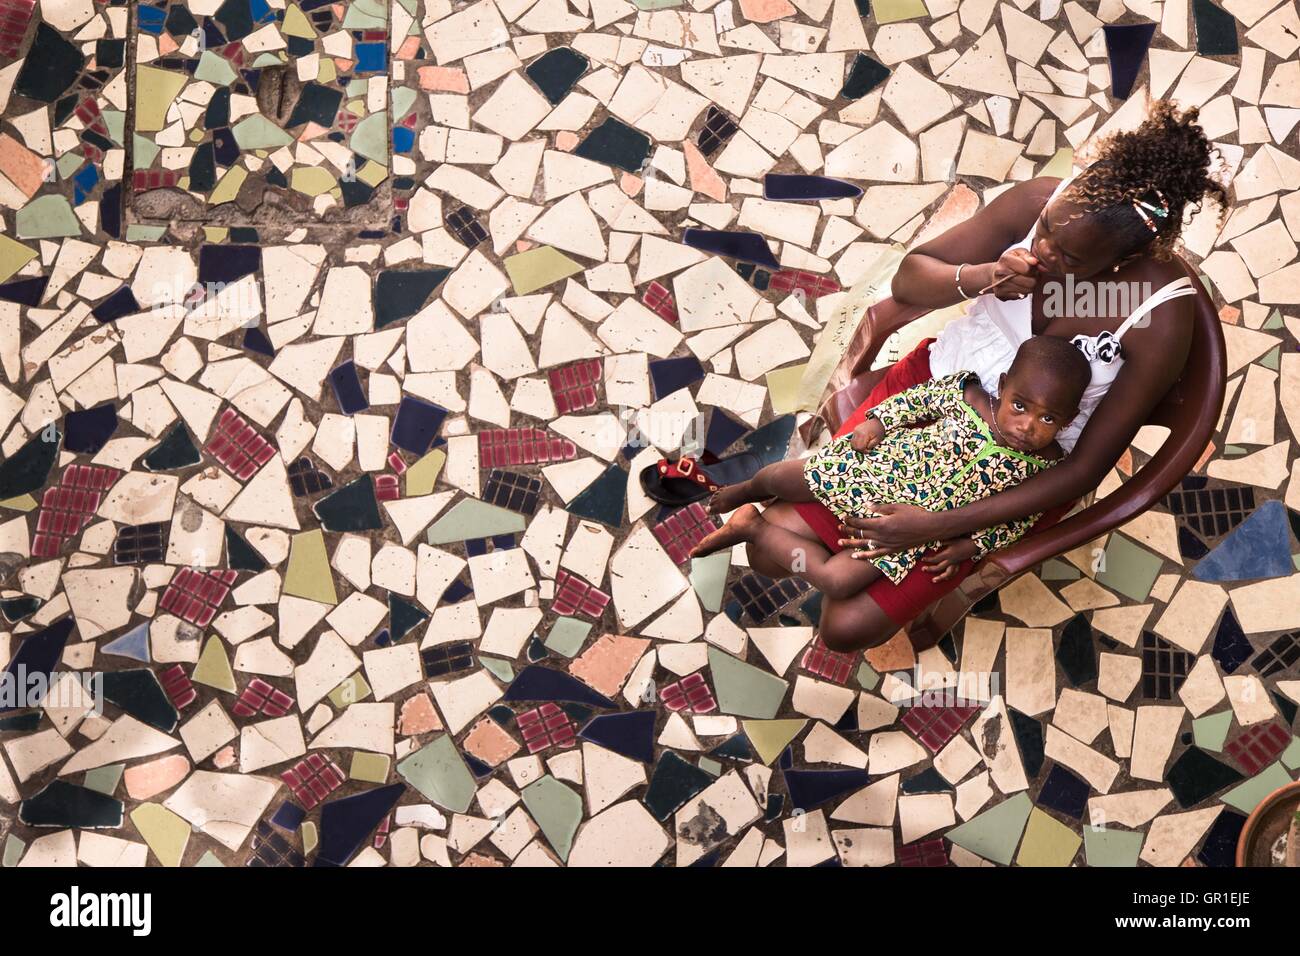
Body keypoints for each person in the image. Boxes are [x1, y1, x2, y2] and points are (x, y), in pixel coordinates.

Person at [732, 99, 1230, 652]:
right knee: (767, 552)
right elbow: (909, 282)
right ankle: (828, 551)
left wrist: (940, 526)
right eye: (1045, 232)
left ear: (1118, 264)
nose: (1041, 251)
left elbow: (1085, 469)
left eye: (1067, 258)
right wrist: (979, 276)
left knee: (847, 629)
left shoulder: (1157, 315)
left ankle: (874, 567)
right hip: (928, 402)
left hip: (1010, 471)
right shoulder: (1043, 201)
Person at [691, 337, 1090, 604]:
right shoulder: (968, 396)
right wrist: (877, 422)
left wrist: (972, 546)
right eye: (1020, 405)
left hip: (906, 529)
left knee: (839, 582)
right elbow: (915, 402)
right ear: (1003, 386)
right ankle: (745, 491)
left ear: (1068, 422)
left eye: (1048, 418)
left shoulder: (1044, 466)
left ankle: (751, 527)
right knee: (784, 478)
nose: (1028, 425)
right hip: (874, 468)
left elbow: (1018, 518)